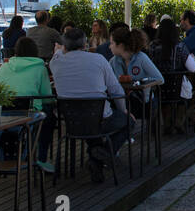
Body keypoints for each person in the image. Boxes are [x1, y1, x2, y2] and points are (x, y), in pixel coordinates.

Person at [50, 28, 134, 181]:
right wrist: (124, 111)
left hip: (71, 123)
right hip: (99, 120)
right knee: (129, 122)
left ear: (64, 46)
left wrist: (59, 50)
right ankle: (100, 155)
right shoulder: (98, 60)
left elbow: (57, 54)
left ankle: (96, 156)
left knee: (89, 124)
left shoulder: (55, 62)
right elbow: (116, 91)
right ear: (85, 44)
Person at [0, 36, 57, 170]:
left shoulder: (4, 67)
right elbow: (46, 97)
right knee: (49, 117)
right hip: (30, 115)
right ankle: (41, 158)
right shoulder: (40, 68)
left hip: (4, 115)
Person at [150, 16, 195, 132]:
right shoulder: (180, 47)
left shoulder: (153, 46)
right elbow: (193, 68)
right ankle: (178, 121)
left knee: (165, 97)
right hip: (177, 89)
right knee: (191, 92)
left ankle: (166, 122)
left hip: (158, 88)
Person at [109, 26, 164, 125]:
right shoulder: (113, 61)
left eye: (112, 43)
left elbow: (160, 79)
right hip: (122, 101)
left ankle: (126, 134)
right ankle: (125, 134)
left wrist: (141, 81)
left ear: (120, 45)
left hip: (142, 103)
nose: (109, 46)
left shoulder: (141, 58)